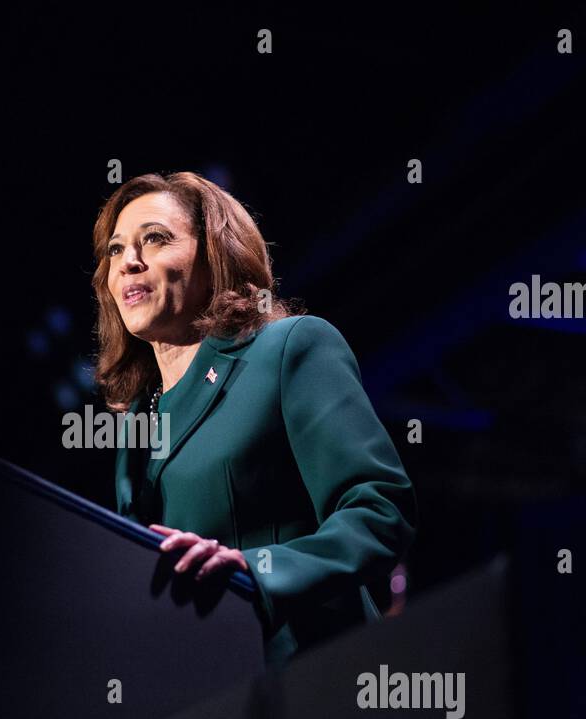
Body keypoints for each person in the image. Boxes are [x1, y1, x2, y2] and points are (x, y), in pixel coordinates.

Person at [92, 172, 418, 668]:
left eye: (155, 239)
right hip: (197, 704)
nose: (129, 262)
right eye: (116, 250)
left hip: (313, 674)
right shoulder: (138, 418)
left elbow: (379, 512)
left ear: (214, 254)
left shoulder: (289, 349)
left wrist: (255, 571)